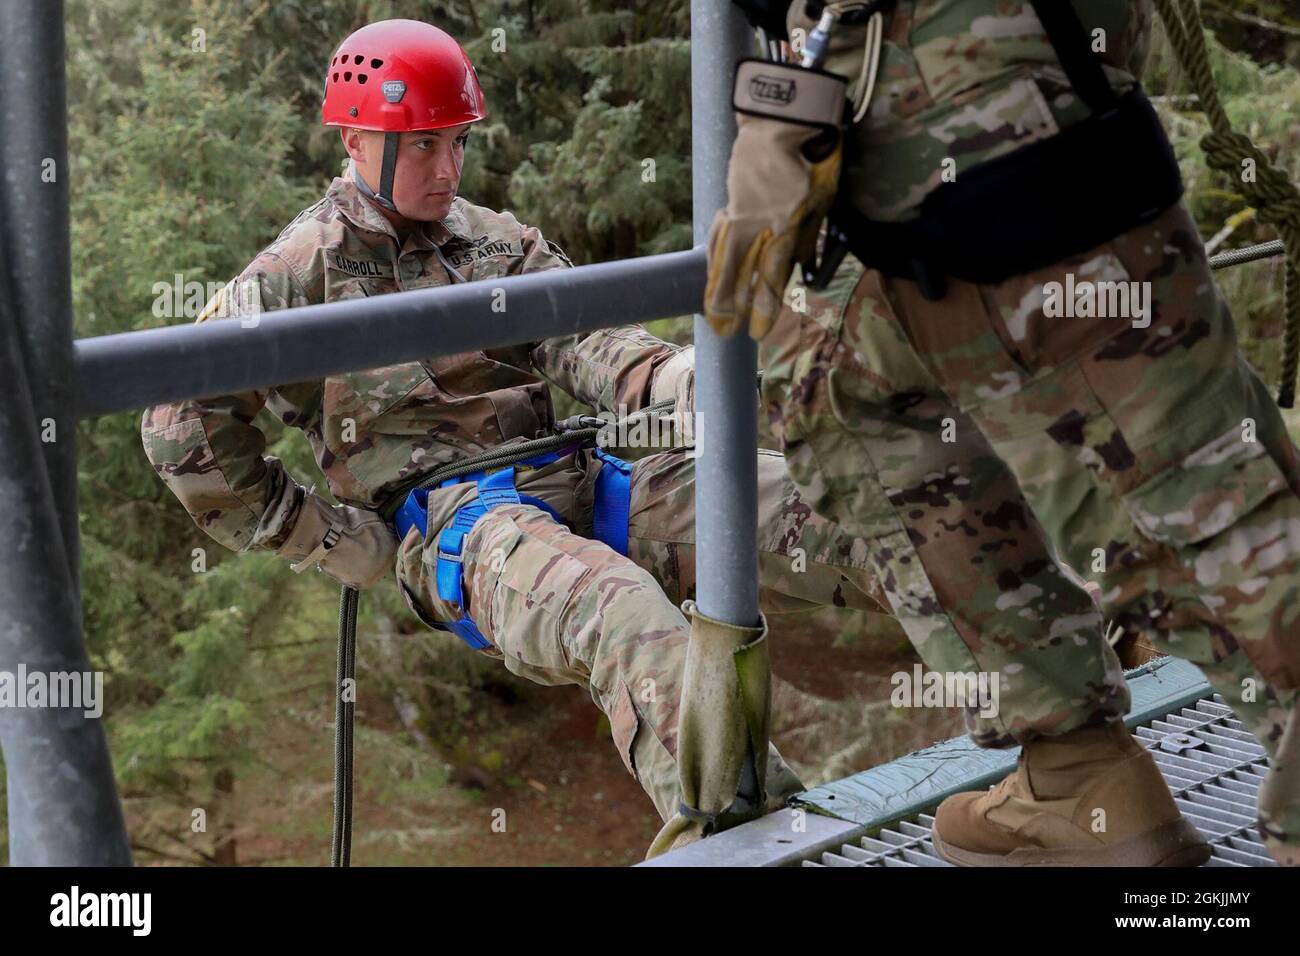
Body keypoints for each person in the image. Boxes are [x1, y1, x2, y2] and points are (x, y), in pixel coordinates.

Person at [141, 17, 922, 856]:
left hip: (587, 485)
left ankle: (1063, 705)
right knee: (625, 619)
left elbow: (582, 335)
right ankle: (749, 842)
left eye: (459, 144)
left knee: (850, 510)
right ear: (356, 139)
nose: (449, 169)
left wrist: (678, 381)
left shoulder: (491, 239)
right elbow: (180, 419)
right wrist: (324, 539)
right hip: (462, 533)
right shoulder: (298, 273)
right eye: (427, 146)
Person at [712, 0, 1299, 865]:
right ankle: (1075, 769)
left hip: (964, 69)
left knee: (1178, 494)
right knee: (835, 376)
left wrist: (794, 94)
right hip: (901, 95)